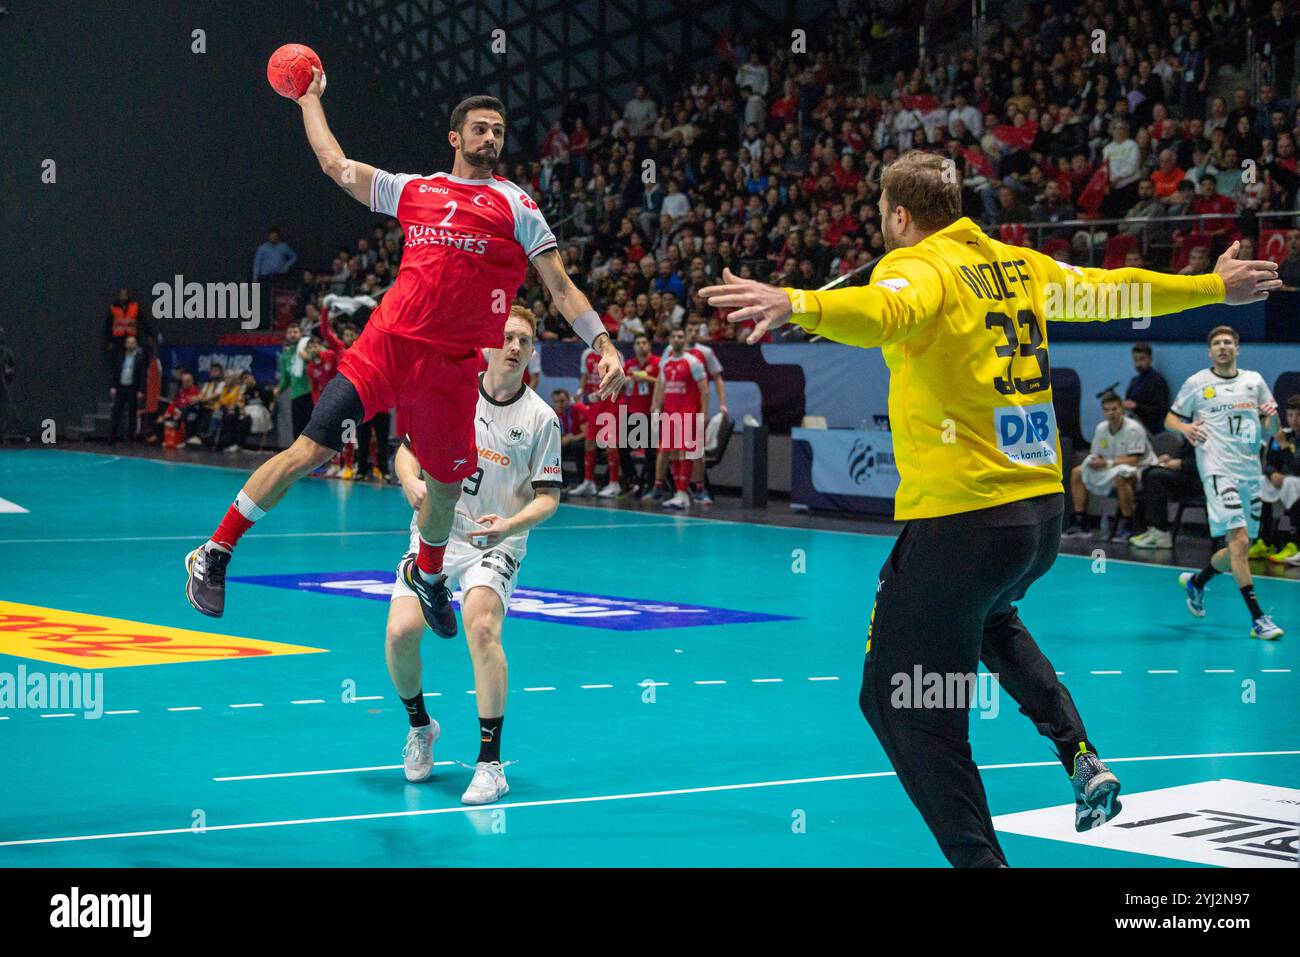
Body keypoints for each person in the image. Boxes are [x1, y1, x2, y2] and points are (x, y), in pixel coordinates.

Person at [699, 149, 1280, 867]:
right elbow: (1115, 289)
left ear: (900, 215)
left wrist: (802, 302)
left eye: (883, 215)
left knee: (899, 704)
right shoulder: (1017, 264)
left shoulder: (918, 265)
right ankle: (1079, 751)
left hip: (965, 517)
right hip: (1035, 517)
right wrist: (1208, 287)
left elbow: (885, 311)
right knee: (987, 616)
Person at [184, 78, 624, 627]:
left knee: (444, 488)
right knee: (311, 450)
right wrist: (309, 99)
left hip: (454, 367)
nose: (490, 139)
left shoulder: (518, 206)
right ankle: (215, 551)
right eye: (480, 129)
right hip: (387, 347)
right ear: (455, 137)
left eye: (498, 132)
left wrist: (603, 342)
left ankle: (430, 574)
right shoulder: (416, 190)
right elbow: (335, 164)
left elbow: (560, 287)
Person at [387, 307, 562, 803]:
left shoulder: (540, 419)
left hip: (498, 540)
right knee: (400, 634)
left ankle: (490, 763)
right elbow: (407, 451)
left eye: (524, 342)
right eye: (506, 337)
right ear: (486, 344)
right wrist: (409, 480)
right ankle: (421, 728)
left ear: (531, 353)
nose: (513, 347)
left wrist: (509, 524)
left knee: (481, 625)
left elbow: (548, 498)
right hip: (439, 533)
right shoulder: (453, 391)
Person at [1169, 327, 1284, 640]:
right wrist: (1186, 427)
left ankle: (1198, 582)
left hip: (1250, 471)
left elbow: (1272, 427)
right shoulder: (1197, 383)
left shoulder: (1254, 381)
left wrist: (1271, 417)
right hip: (1218, 470)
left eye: (1228, 343)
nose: (1222, 347)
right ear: (1210, 351)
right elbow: (1171, 419)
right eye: (1217, 343)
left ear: (1237, 349)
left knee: (1238, 549)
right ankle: (1258, 619)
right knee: (1241, 541)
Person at [1063, 391, 1155, 541]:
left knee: (1122, 475)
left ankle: (1128, 525)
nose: (1111, 413)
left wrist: (1107, 463)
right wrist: (1095, 462)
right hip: (1111, 466)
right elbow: (1097, 454)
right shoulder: (1101, 428)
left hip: (1141, 469)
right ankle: (1080, 522)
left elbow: (1135, 460)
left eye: (1114, 409)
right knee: (1077, 472)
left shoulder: (1134, 429)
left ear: (1122, 409)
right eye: (1107, 410)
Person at [650, 326, 707, 510]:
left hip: (688, 414)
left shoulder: (693, 362)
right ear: (670, 341)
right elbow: (661, 388)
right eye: (674, 336)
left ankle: (684, 493)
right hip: (669, 415)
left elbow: (704, 389)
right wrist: (656, 409)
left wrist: (703, 413)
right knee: (671, 452)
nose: (677, 339)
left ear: (685, 340)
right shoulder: (665, 364)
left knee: (685, 452)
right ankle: (678, 492)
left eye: (680, 336)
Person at [1128, 435, 1201, 550]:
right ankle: (1150, 528)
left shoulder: (1214, 435)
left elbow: (1212, 463)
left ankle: (1161, 532)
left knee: (1156, 476)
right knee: (1148, 472)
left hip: (1200, 482)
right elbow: (1185, 454)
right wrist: (1170, 459)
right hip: (1186, 475)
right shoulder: (1192, 432)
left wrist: (1182, 463)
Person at [1259, 394, 1300, 565]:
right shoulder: (1283, 434)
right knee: (1261, 481)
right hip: (1283, 481)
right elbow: (1269, 463)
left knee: (1291, 483)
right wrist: (1271, 474)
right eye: (1290, 415)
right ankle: (1265, 541)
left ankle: (1294, 543)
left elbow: (1297, 467)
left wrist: (1284, 446)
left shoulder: (1285, 439)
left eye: (1298, 415)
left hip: (1296, 481)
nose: (1294, 420)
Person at [1123, 342, 1170, 436]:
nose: (1138, 363)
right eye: (1135, 360)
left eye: (1142, 359)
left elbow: (1161, 410)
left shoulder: (1157, 381)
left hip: (1151, 430)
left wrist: (1137, 406)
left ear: (1150, 359)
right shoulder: (1135, 381)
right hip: (1134, 426)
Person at [108, 334, 147, 445]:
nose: (131, 345)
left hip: (132, 389)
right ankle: (112, 438)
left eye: (133, 342)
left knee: (132, 414)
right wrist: (113, 386)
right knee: (116, 413)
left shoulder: (140, 358)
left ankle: (130, 438)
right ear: (125, 344)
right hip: (121, 388)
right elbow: (114, 372)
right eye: (129, 342)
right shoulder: (120, 356)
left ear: (136, 344)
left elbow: (142, 375)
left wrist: (141, 390)